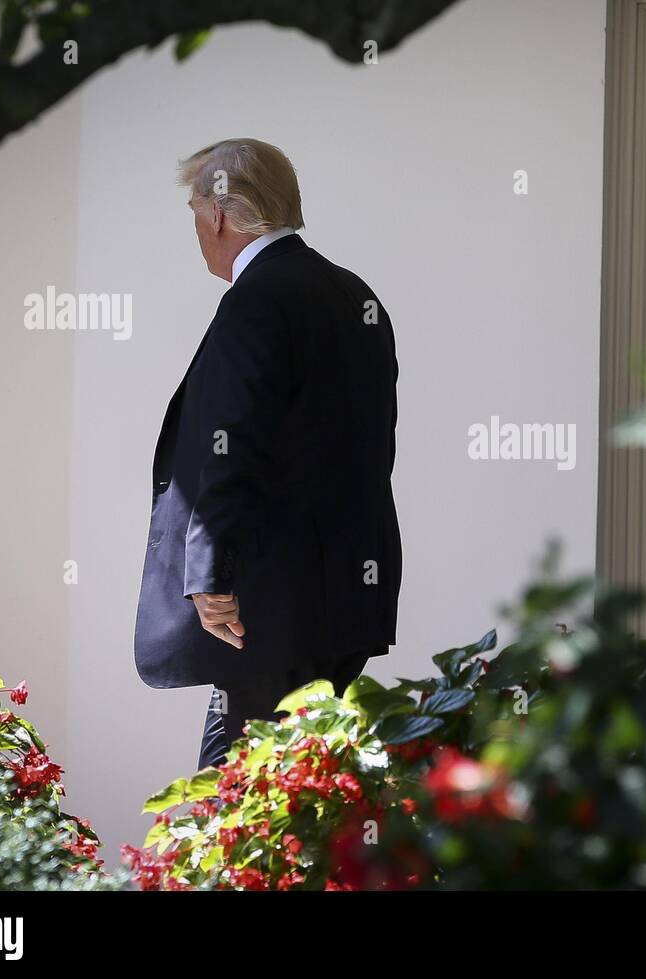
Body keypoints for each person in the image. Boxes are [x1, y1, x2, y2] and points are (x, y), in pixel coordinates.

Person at [133, 139, 401, 768]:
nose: (198, 230)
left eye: (196, 213)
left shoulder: (256, 300)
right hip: (345, 598)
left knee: (234, 809)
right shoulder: (352, 295)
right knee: (304, 786)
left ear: (219, 216)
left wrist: (211, 575)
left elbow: (230, 448)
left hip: (269, 605)